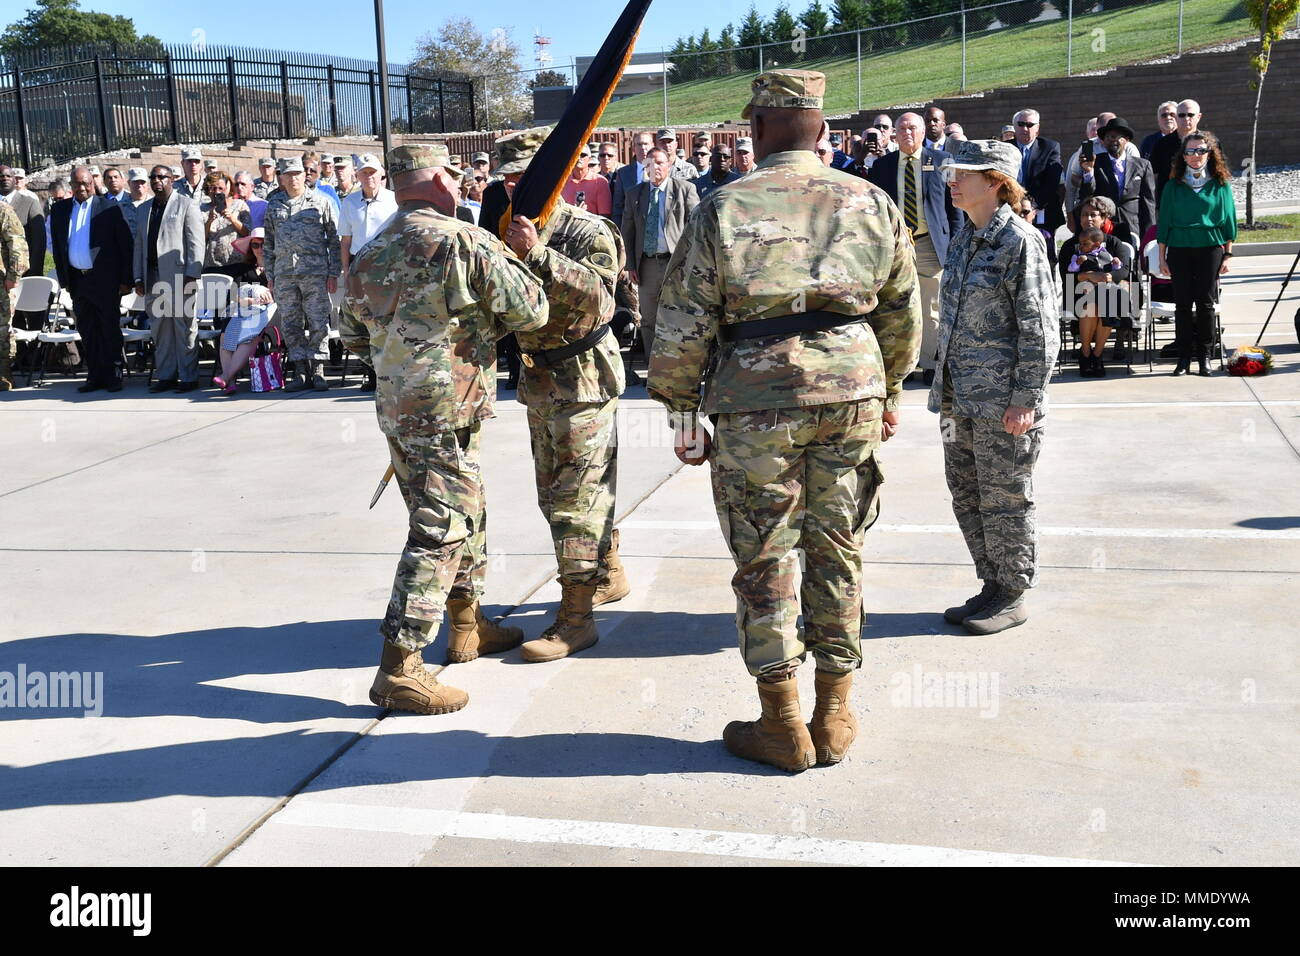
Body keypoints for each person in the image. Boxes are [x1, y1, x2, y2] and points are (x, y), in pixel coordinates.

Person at [649, 70, 921, 773]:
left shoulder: (723, 206)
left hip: (755, 398)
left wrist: (681, 409)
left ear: (759, 128)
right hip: (852, 391)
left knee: (765, 554)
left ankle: (783, 725)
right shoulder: (872, 200)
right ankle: (835, 713)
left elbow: (684, 318)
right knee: (839, 547)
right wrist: (886, 391)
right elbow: (903, 309)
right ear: (823, 129)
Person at [342, 143, 549, 714]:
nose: (459, 188)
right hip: (447, 407)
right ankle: (399, 667)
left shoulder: (370, 250)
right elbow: (532, 311)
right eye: (453, 178)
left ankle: (467, 623)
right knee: (444, 525)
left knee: (466, 510)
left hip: (402, 410)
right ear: (435, 179)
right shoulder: (462, 240)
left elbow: (352, 335)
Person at [494, 127, 631, 663]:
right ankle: (607, 570)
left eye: (522, 179)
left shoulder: (588, 232)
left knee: (576, 502)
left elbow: (600, 300)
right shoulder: (503, 231)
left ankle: (576, 618)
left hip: (585, 380)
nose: (512, 190)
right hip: (539, 382)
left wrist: (538, 255)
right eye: (505, 181)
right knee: (556, 496)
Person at [933, 140, 1059, 636]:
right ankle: (991, 583)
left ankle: (1013, 593)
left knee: (1006, 496)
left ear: (993, 182)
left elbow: (1040, 327)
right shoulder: (967, 234)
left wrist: (1025, 399)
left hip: (1002, 401)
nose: (952, 181)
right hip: (958, 397)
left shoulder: (1020, 241)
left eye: (963, 173)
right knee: (966, 493)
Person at [868, 111, 961, 386]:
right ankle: (903, 364)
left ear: (923, 133)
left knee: (931, 305)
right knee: (898, 303)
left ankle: (931, 363)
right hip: (896, 245)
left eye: (913, 128)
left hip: (930, 243)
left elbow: (953, 207)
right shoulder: (883, 166)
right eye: (902, 129)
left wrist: (954, 244)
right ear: (894, 135)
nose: (908, 133)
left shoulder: (942, 161)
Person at [48, 165, 134, 393]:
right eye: (77, 184)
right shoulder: (60, 211)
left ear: (93, 183)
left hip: (104, 280)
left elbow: (125, 245)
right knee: (87, 330)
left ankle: (114, 375)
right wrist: (65, 279)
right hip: (78, 280)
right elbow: (58, 247)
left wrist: (126, 280)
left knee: (109, 328)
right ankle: (95, 376)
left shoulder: (109, 207)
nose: (82, 187)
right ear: (71, 186)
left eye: (86, 183)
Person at [1157, 130, 1235, 377]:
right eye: (1190, 151)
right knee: (1181, 304)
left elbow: (1229, 222)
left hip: (1210, 248)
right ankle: (1183, 358)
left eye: (1201, 150)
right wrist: (1161, 256)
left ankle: (1204, 357)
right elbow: (1165, 223)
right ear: (1183, 155)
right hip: (1179, 248)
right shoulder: (1173, 185)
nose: (1195, 156)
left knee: (1206, 304)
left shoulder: (1220, 184)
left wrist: (1228, 255)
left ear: (1210, 153)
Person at [264, 155, 340, 391]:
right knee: (290, 323)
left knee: (318, 321)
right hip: (285, 274)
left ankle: (318, 370)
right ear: (282, 178)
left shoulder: (321, 202)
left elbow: (334, 240)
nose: (294, 178)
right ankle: (300, 371)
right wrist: (270, 276)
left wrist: (333, 272)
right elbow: (268, 243)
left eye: (298, 174)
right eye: (289, 175)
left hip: (315, 274)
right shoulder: (274, 205)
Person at [622, 146, 699, 360]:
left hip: (675, 263)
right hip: (646, 265)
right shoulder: (635, 194)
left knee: (678, 314)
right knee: (648, 318)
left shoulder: (685, 190)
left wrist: (690, 263)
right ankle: (653, 364)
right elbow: (627, 231)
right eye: (649, 163)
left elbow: (696, 228)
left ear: (669, 165)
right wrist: (630, 266)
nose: (654, 167)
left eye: (659, 162)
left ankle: (678, 363)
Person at [133, 165, 205, 392]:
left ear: (172, 179)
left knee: (184, 328)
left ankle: (188, 377)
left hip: (180, 277)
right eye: (152, 177)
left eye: (161, 177)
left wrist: (193, 274)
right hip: (153, 277)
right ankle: (166, 376)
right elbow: (139, 246)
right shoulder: (144, 208)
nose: (156, 181)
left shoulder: (186, 204)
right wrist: (138, 277)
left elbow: (196, 243)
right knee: (160, 330)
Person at [1058, 196, 1133, 377]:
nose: (1088, 219)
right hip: (1076, 293)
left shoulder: (1115, 243)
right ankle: (1085, 353)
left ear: (1104, 218)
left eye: (1093, 215)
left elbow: (1124, 270)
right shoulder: (1070, 245)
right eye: (1084, 215)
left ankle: (1097, 355)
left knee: (1107, 303)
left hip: (1109, 294)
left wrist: (1107, 276)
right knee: (1091, 305)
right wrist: (1086, 276)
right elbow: (1065, 274)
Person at [1076, 116, 1156, 249]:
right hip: (1104, 225)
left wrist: (1149, 235)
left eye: (1116, 137)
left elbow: (1148, 202)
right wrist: (1088, 172)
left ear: (1127, 140)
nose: (1112, 140)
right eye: (1108, 137)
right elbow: (1086, 196)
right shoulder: (1095, 162)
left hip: (1132, 224)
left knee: (1134, 263)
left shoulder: (1142, 165)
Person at [213, 244, 273, 397]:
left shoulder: (276, 268)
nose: (259, 248)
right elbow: (234, 294)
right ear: (251, 248)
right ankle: (230, 382)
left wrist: (260, 298)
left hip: (267, 313)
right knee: (225, 336)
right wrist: (246, 300)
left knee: (250, 337)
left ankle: (226, 376)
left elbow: (281, 293)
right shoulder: (244, 268)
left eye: (263, 243)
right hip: (241, 309)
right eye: (255, 245)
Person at [0, 163, 47, 340]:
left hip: (26, 272)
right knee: (11, 319)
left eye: (7, 176)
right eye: (1, 177)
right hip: (1, 275)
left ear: (14, 179)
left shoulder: (29, 203)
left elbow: (39, 241)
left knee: (33, 314)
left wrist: (33, 270)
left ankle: (34, 353)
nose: (4, 179)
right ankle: (19, 357)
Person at [1011, 109, 1065, 235]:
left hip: (1041, 210)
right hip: (1011, 209)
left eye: (1030, 125)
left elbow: (1052, 182)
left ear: (1037, 128)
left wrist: (1030, 206)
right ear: (1014, 127)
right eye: (1021, 124)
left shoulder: (1050, 147)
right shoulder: (1005, 147)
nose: (1025, 128)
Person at [201, 171, 252, 274]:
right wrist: (210, 220)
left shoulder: (240, 205)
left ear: (227, 189)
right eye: (213, 188)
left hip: (237, 263)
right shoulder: (203, 209)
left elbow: (247, 233)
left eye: (220, 188)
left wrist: (232, 219)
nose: (216, 192)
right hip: (212, 264)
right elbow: (201, 238)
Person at [1151, 99, 1203, 201]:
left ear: (1199, 117)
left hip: (1201, 200)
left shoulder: (1207, 142)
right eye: (1182, 115)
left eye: (1191, 115)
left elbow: (1218, 172)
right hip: (1170, 201)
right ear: (1176, 117)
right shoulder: (1161, 144)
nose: (1186, 118)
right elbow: (1153, 176)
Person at [0, 200, 27, 392]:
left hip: (1, 281)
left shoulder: (2, 209)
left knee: (1, 330)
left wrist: (13, 276)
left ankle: (4, 377)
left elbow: (16, 243)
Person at [611, 130, 654, 224]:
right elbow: (618, 206)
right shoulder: (623, 173)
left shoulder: (661, 170)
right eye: (639, 144)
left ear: (652, 145)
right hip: (632, 227)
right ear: (634, 148)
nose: (643, 148)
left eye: (646, 144)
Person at [560, 146, 612, 216]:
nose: (578, 158)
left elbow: (605, 216)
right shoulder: (562, 182)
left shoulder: (600, 181)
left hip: (592, 225)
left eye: (582, 155)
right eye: (575, 154)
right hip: (566, 225)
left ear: (589, 159)